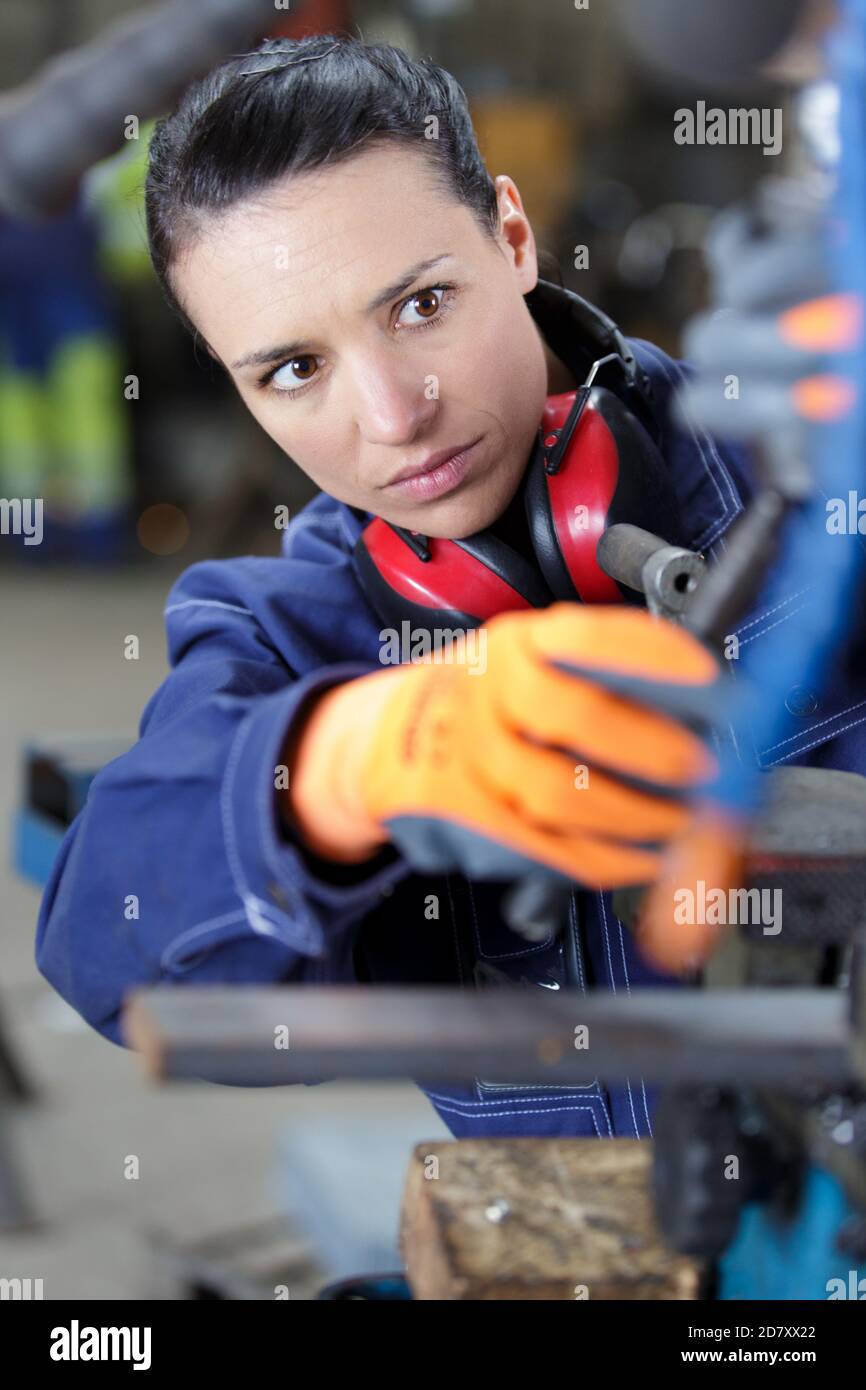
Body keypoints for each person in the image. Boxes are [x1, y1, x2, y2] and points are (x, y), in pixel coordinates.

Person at [36, 34, 856, 1140]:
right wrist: (338, 765)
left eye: (419, 305)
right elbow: (105, 943)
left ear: (511, 237)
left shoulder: (797, 470)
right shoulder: (285, 635)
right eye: (293, 369)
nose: (391, 415)